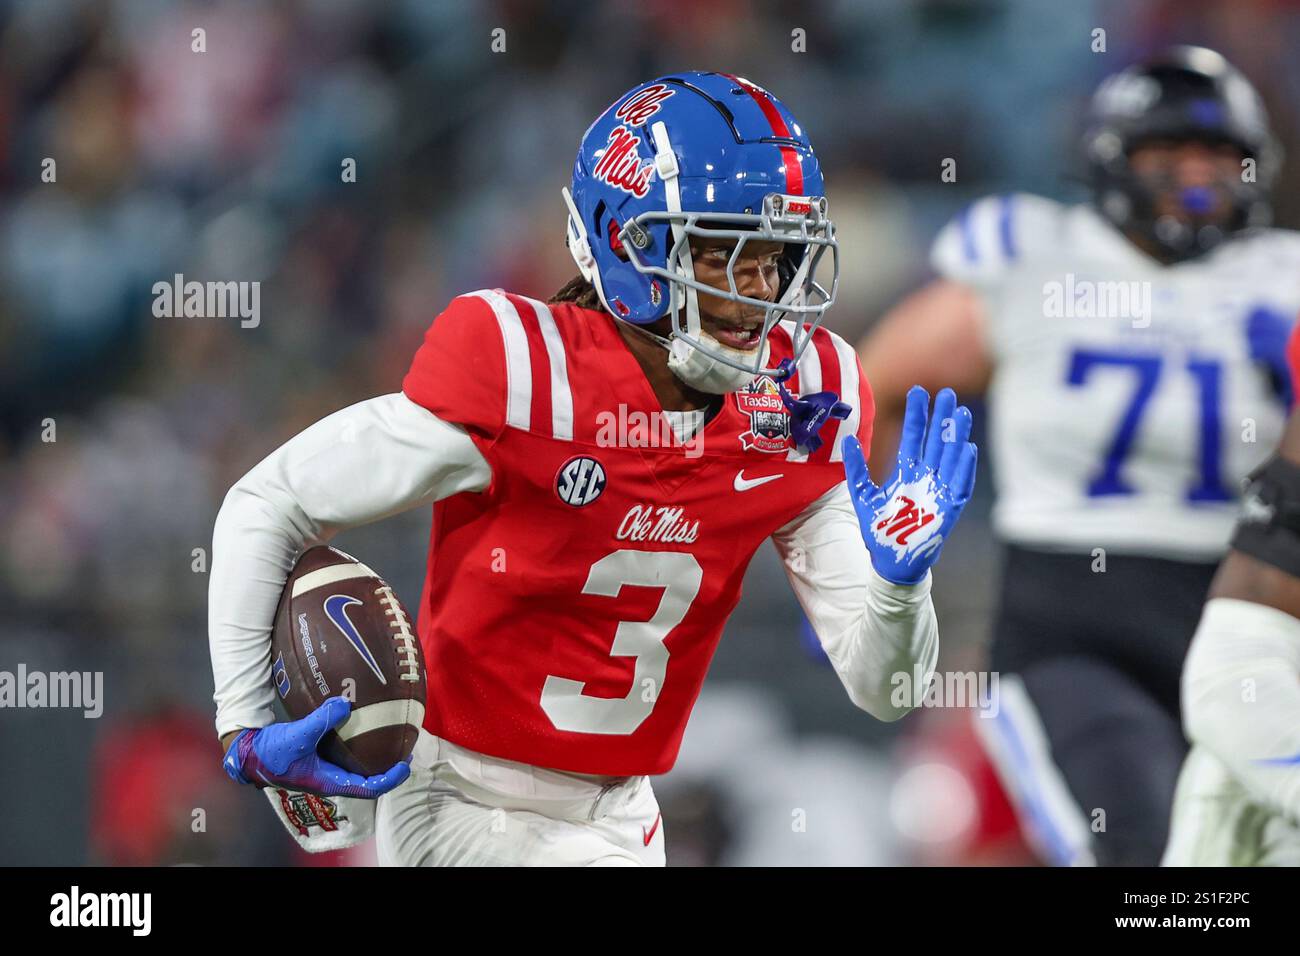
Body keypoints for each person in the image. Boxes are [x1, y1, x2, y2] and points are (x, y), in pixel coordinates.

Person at [209, 72, 978, 866]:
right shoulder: (524, 373)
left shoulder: (802, 401)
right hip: (464, 803)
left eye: (777, 255)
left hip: (621, 816)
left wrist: (899, 590)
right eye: (723, 253)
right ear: (628, 244)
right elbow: (270, 501)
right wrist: (244, 722)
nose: (759, 291)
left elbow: (886, 692)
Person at [857, 46, 1300, 866]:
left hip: (1254, 614)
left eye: (1220, 155)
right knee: (1142, 851)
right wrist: (863, 569)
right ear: (1113, 159)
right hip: (1074, 627)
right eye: (1171, 153)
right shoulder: (1033, 257)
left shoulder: (1282, 276)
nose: (1199, 175)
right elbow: (873, 388)